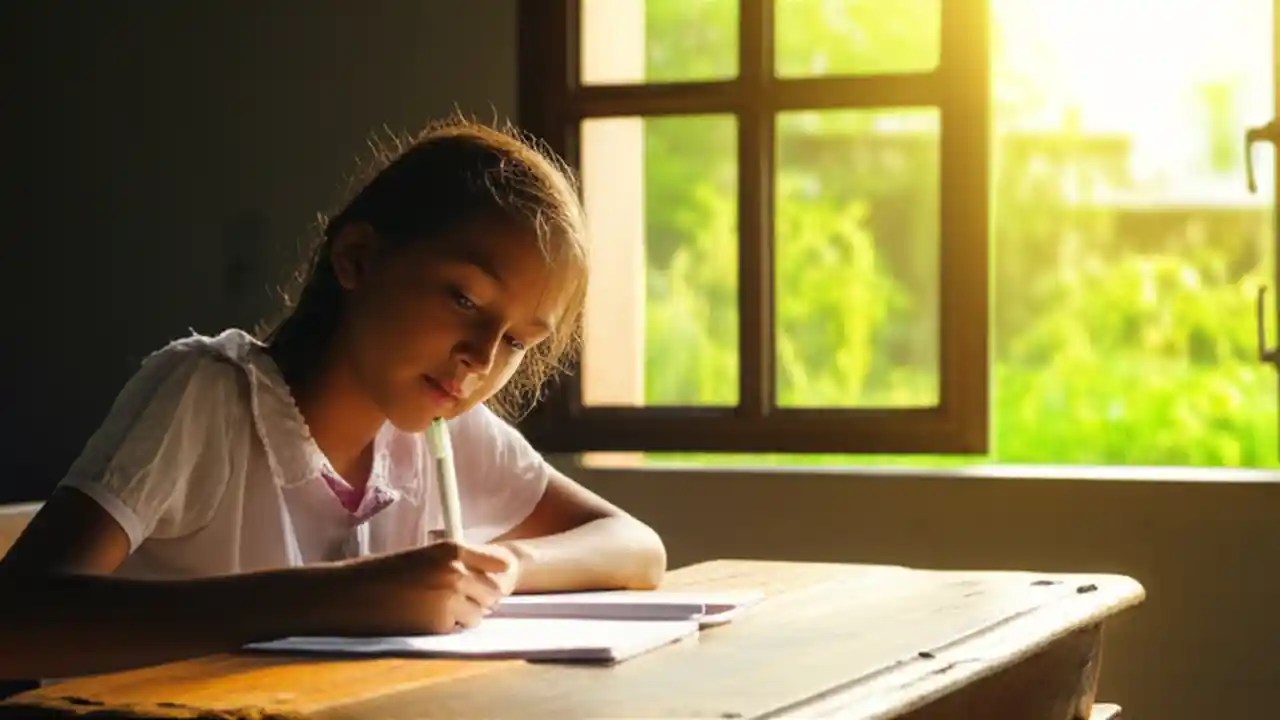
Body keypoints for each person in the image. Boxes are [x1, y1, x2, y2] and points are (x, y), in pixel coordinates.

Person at [0, 118, 666, 680]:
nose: (482, 359)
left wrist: (505, 566)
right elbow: (17, 622)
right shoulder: (206, 399)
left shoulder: (444, 429)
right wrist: (338, 598)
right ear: (357, 258)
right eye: (464, 298)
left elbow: (635, 546)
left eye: (518, 341)